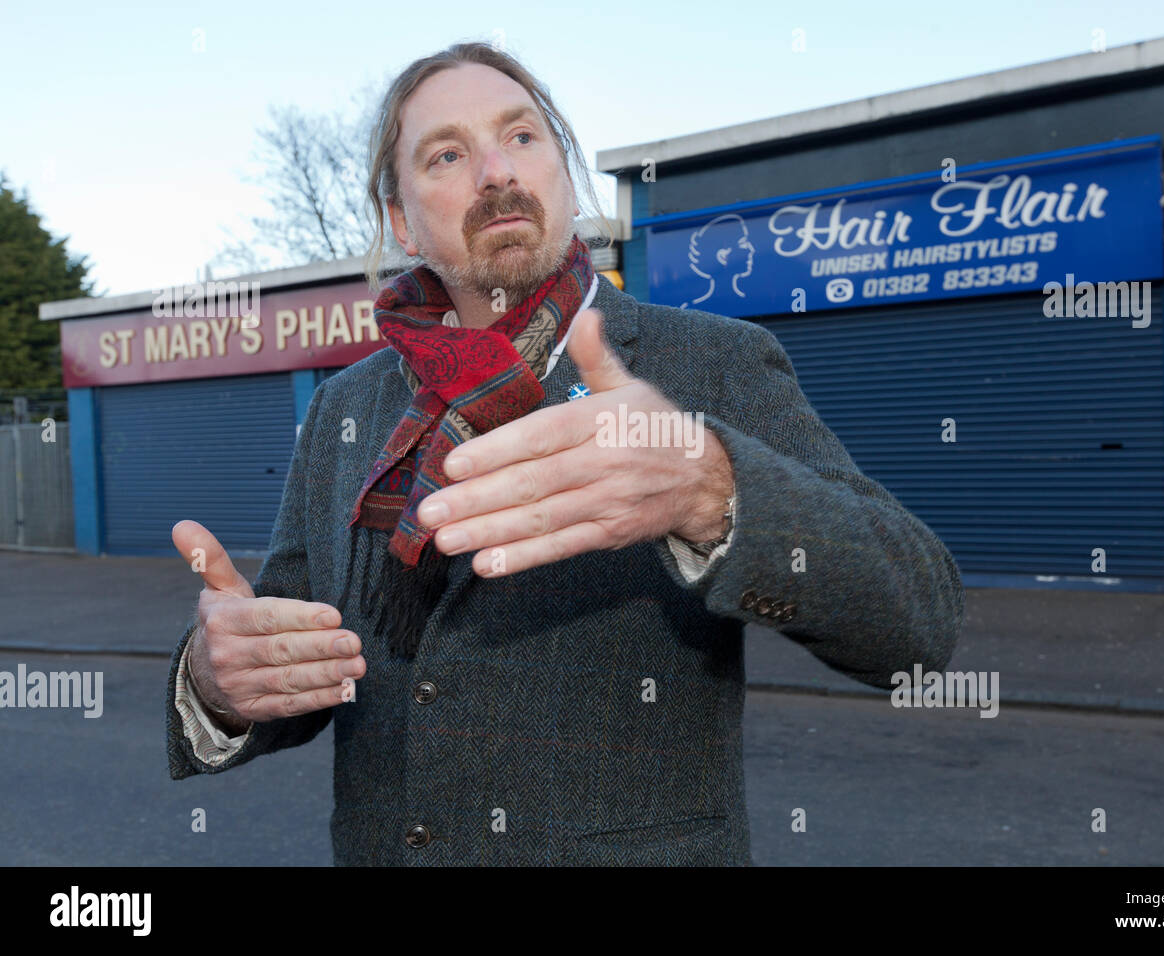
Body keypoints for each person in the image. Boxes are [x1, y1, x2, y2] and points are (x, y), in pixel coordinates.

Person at [165, 41, 965, 866]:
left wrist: (712, 492)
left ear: (564, 173)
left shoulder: (711, 362)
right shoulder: (347, 406)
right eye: (447, 153)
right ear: (402, 220)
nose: (494, 173)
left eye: (522, 137)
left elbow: (918, 619)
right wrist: (222, 684)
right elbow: (303, 656)